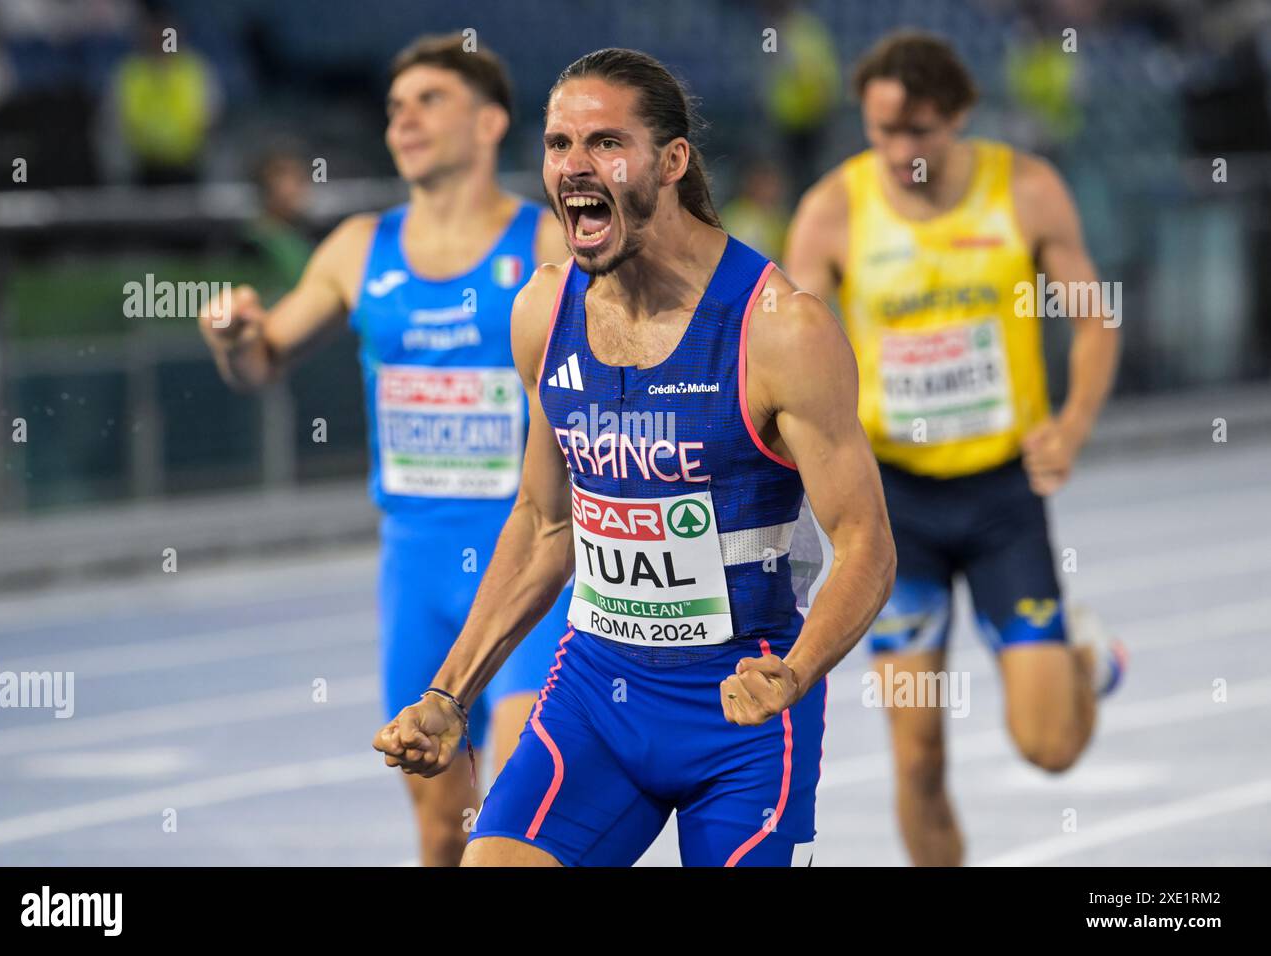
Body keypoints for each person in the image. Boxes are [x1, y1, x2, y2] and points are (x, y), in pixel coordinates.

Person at [374, 48, 896, 867]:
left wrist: (793, 675)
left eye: (605, 144)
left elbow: (865, 544)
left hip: (742, 716)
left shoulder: (780, 330)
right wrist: (450, 694)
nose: (574, 167)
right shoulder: (544, 311)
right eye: (557, 146)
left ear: (673, 161)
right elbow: (548, 525)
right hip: (596, 698)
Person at [197, 34, 572, 867]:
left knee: (513, 817)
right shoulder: (358, 248)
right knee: (444, 828)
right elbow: (261, 361)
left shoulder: (543, 244)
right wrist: (232, 335)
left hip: (528, 560)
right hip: (415, 568)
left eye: (430, 100)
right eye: (396, 105)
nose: (405, 118)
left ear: (488, 124)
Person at [784, 30, 1125, 867]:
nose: (902, 152)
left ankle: (1082, 656)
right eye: (883, 133)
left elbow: (1095, 314)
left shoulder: (1028, 191)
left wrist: (1072, 423)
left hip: (1004, 497)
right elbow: (785, 354)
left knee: (1050, 747)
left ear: (960, 118)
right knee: (918, 754)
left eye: (921, 132)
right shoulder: (833, 211)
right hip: (898, 509)